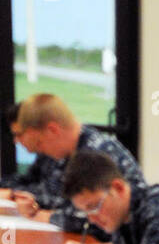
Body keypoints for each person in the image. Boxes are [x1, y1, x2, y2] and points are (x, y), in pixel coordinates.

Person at [10, 93, 143, 235]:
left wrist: (40, 215)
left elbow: (94, 220)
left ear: (52, 130)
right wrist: (34, 204)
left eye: (40, 144)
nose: (40, 152)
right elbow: (59, 200)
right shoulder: (66, 153)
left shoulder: (96, 154)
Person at [1, 103, 56, 205]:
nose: (16, 141)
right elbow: (28, 179)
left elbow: (55, 196)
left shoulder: (83, 152)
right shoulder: (46, 151)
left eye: (19, 134)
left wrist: (12, 194)